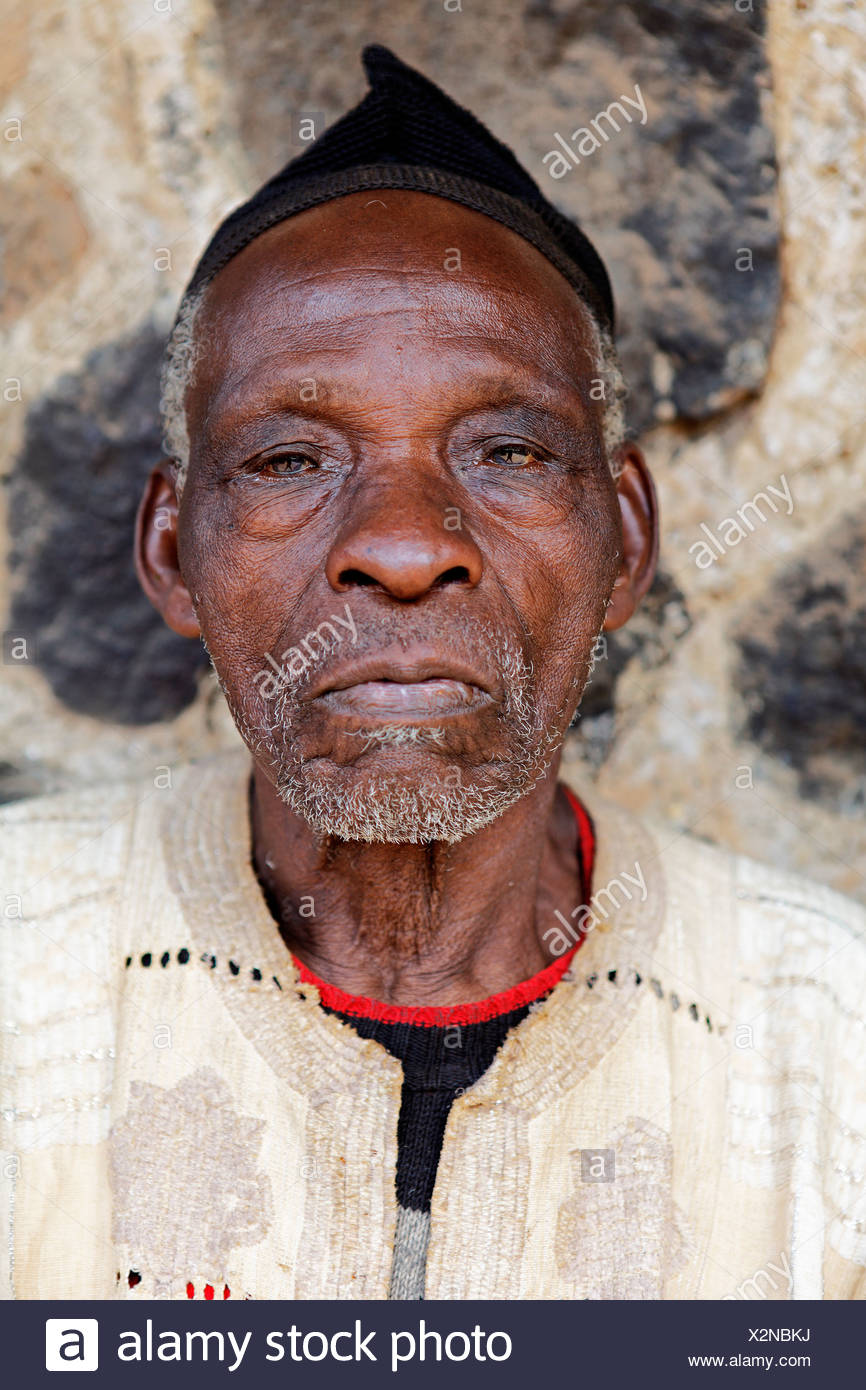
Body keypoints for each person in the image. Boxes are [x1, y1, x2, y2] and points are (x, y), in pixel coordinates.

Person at [2, 46, 864, 1302]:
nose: (404, 545)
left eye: (507, 450)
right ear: (170, 552)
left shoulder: (829, 1048)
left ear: (623, 540)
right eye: (291, 460)